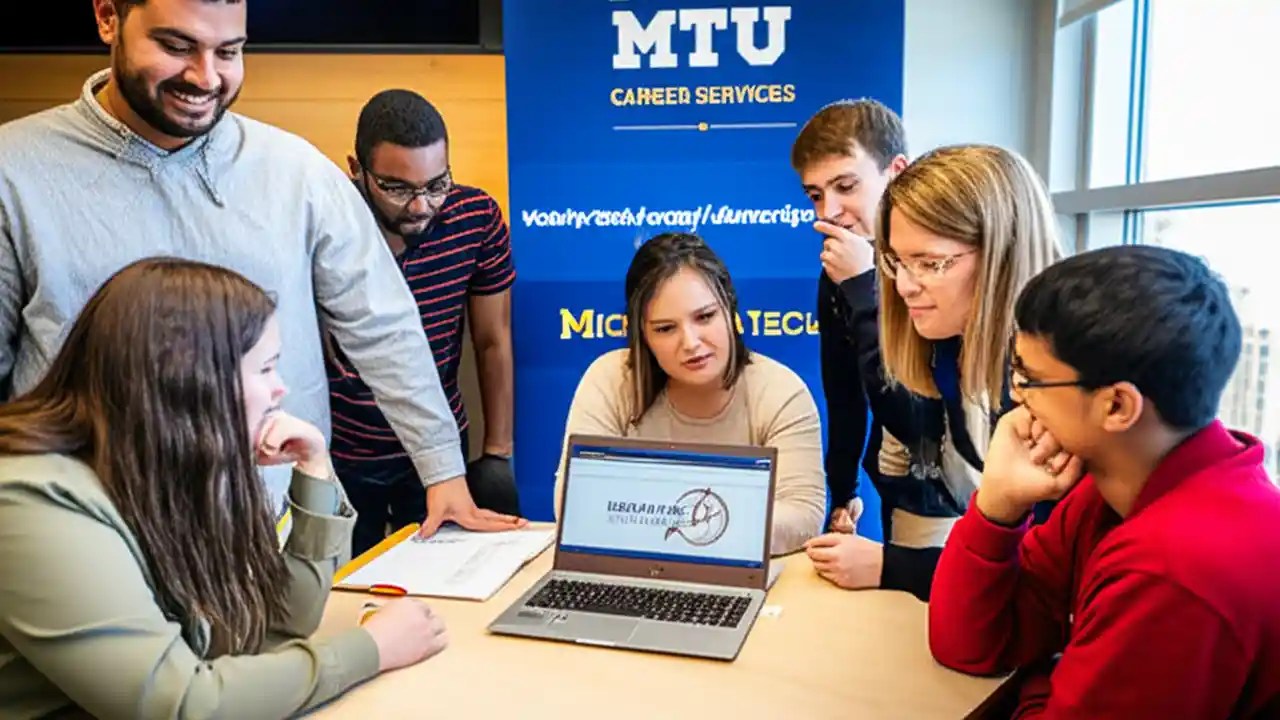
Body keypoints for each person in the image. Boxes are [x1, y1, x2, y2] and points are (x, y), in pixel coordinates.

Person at [0, 0, 523, 538]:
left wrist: (442, 470)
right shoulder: (15, 172)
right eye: (176, 46)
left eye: (228, 51)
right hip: (88, 545)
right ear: (108, 17)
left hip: (280, 544)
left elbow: (384, 328)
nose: (205, 77)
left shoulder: (297, 173)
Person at [0, 258, 451, 719]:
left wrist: (313, 467)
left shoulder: (162, 467)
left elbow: (277, 628)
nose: (280, 390)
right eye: (265, 369)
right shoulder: (31, 501)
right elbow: (179, 706)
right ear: (187, 376)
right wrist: (369, 649)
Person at [930, 245, 1280, 718]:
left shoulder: (1173, 569)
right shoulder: (1114, 487)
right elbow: (970, 645)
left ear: (1117, 406)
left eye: (1029, 380)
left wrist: (1044, 677)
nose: (1017, 398)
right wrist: (996, 505)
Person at [804, 144, 1062, 600]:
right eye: (895, 263)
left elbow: (1050, 572)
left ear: (1002, 253)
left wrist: (895, 565)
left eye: (929, 264)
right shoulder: (947, 355)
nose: (902, 286)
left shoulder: (1062, 384)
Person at [327, 88, 519, 556]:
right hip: (345, 453)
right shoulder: (327, 227)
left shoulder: (474, 220)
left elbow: (492, 340)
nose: (420, 206)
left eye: (437, 185)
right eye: (396, 188)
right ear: (357, 170)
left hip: (440, 446)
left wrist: (497, 454)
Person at [554, 232, 826, 555]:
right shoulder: (610, 379)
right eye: (665, 328)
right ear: (642, 334)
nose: (691, 343)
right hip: (637, 574)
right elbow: (574, 506)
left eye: (705, 317)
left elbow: (802, 517)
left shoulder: (782, 392)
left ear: (730, 308)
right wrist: (716, 521)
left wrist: (648, 519)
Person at [790, 98, 909, 535]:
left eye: (846, 186)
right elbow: (844, 392)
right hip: (899, 479)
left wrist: (863, 285)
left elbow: (917, 401)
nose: (828, 212)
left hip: (963, 485)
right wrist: (842, 493)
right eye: (816, 195)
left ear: (897, 172)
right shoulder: (838, 270)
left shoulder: (945, 264)